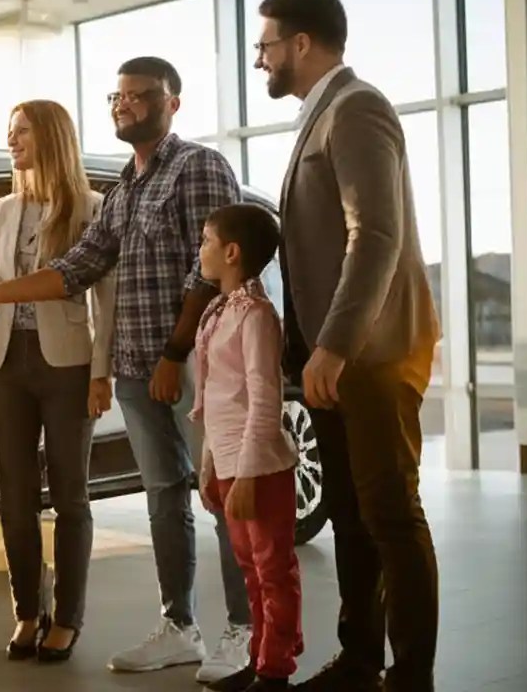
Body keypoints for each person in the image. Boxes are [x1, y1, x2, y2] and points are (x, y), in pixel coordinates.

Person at [0, 57, 254, 685]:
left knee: (225, 495)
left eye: (140, 96)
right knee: (164, 499)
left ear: (172, 102)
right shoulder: (125, 190)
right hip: (137, 370)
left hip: (193, 364)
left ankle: (243, 630)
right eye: (117, 97)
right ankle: (180, 627)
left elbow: (217, 272)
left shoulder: (197, 167)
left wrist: (175, 356)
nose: (125, 106)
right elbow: (76, 270)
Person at [251, 0, 440, 692]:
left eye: (265, 45)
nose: (260, 60)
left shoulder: (358, 108)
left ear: (302, 44)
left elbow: (377, 235)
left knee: (391, 514)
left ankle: (411, 677)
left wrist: (333, 342)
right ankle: (361, 662)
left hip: (373, 352)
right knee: (355, 519)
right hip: (334, 359)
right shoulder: (321, 115)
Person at [0, 99, 114, 664]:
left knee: (71, 498)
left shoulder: (91, 207)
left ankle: (70, 617)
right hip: (8, 363)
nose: (13, 140)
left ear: (51, 136)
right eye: (9, 131)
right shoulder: (1, 211)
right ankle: (29, 612)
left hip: (68, 363)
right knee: (14, 498)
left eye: (22, 131)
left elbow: (107, 300)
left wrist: (100, 372)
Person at [192, 204, 304, 692]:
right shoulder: (220, 311)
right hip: (230, 464)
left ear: (231, 252)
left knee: (273, 568)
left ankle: (275, 668)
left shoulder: (256, 316)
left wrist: (250, 474)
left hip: (259, 468)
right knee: (250, 570)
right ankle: (262, 655)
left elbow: (265, 397)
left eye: (205, 241)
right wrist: (210, 465)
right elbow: (215, 398)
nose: (200, 250)